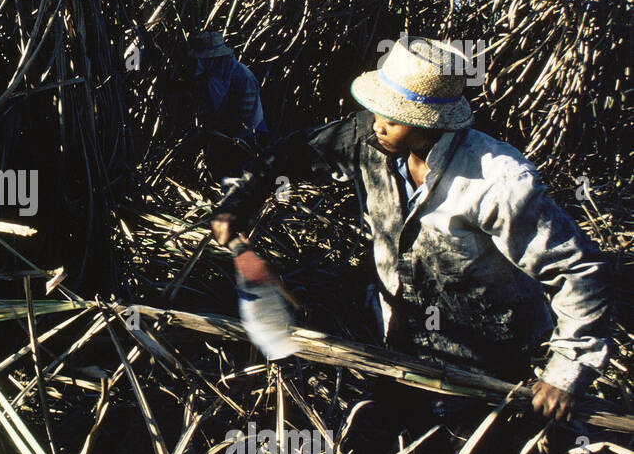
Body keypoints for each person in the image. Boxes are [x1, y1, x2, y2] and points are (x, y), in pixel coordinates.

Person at [209, 36, 611, 426]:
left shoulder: (496, 183)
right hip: (404, 337)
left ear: (429, 125)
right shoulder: (370, 137)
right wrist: (236, 204)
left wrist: (566, 371)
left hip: (494, 351)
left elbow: (579, 270)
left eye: (394, 118)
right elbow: (293, 153)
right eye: (377, 111)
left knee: (478, 453)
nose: (377, 126)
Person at [191, 31, 269, 182]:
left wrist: (221, 131)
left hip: (249, 133)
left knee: (243, 175)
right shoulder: (212, 77)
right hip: (223, 134)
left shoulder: (242, 75)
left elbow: (245, 112)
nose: (203, 63)